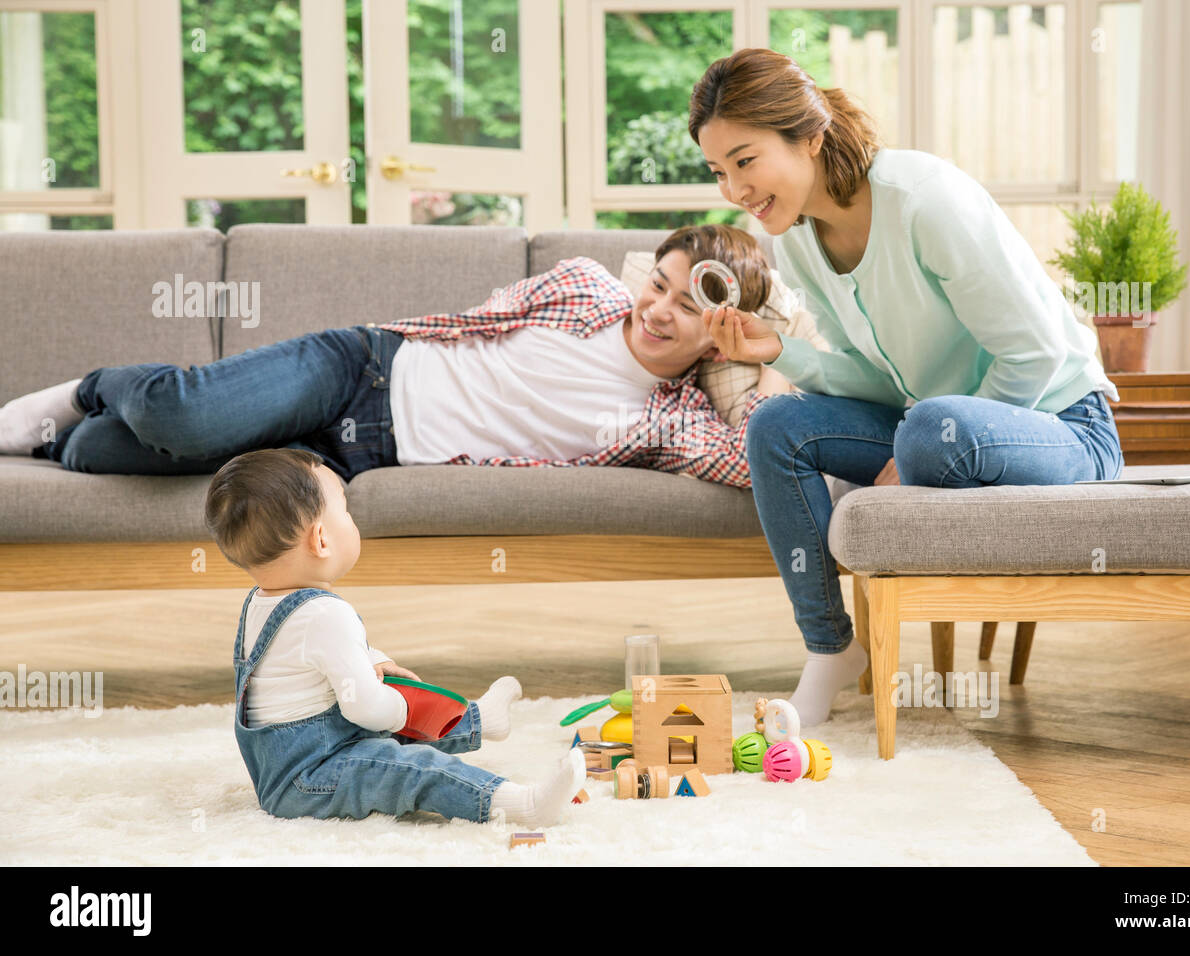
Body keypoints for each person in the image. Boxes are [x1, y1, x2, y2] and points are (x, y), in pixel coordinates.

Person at [689, 49, 1125, 725]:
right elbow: (886, 381)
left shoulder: (923, 198)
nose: (734, 190)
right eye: (719, 171)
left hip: (1062, 423)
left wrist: (929, 440)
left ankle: (931, 444)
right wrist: (784, 351)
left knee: (929, 427)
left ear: (808, 136)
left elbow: (1036, 355)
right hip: (938, 431)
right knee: (775, 424)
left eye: (746, 161)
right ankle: (830, 649)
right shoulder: (799, 240)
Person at [0, 225, 789, 488]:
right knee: (182, 413)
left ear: (716, 329)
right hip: (363, 367)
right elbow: (478, 324)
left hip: (361, 457)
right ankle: (90, 384)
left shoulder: (675, 419)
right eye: (658, 284)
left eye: (688, 307)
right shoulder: (586, 288)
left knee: (100, 453)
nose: (657, 310)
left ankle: (67, 432)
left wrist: (758, 355)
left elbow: (760, 459)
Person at [207, 445, 584, 825]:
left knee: (390, 719)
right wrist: (405, 710)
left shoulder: (262, 601)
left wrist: (373, 660)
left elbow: (309, 657)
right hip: (312, 779)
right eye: (346, 511)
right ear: (321, 540)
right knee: (409, 762)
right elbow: (365, 708)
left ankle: (481, 720)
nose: (352, 519)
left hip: (287, 768)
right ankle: (521, 804)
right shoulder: (325, 613)